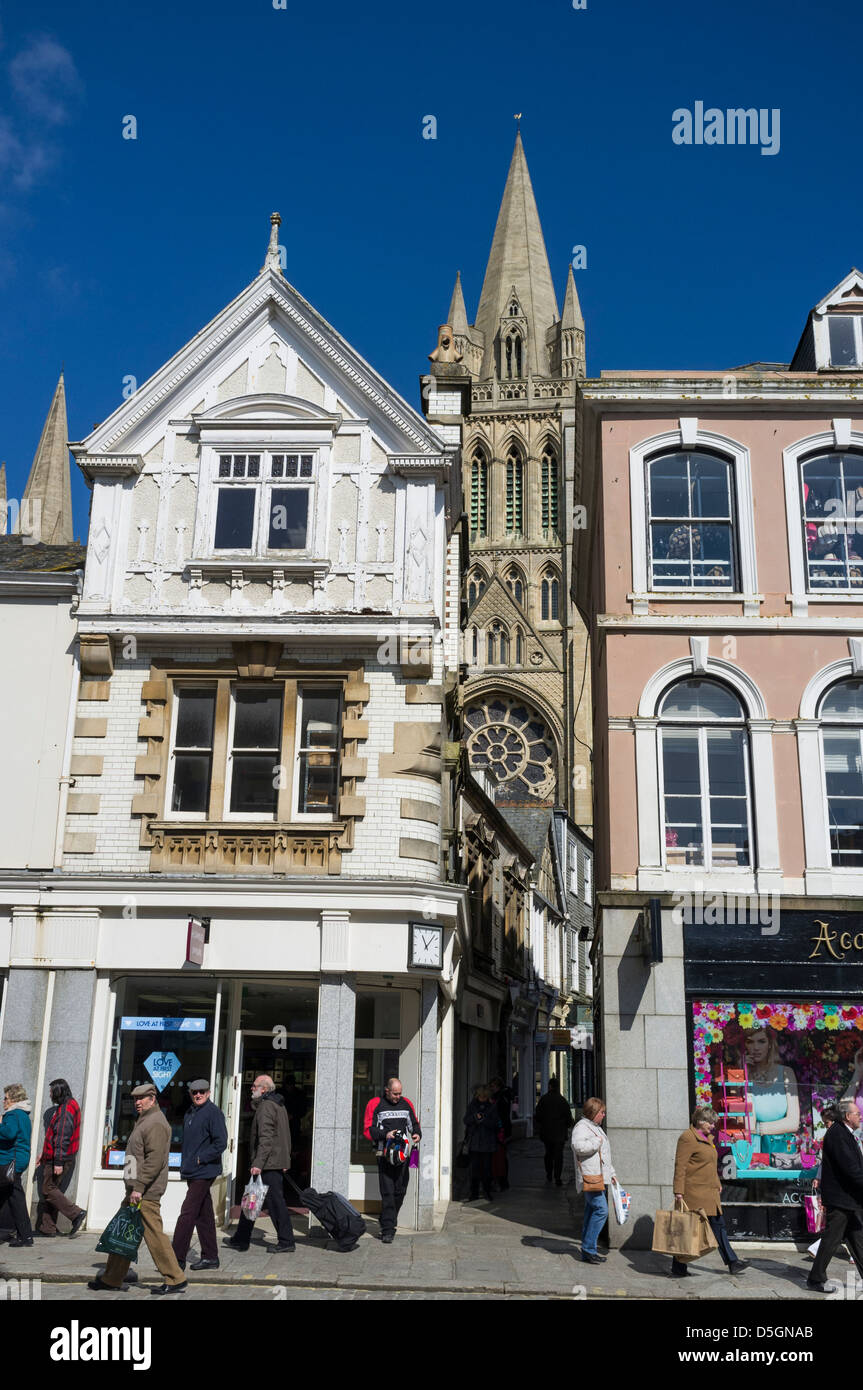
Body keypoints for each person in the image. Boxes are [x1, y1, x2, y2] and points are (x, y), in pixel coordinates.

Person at [88, 1081, 188, 1295]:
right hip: (136, 1189)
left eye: (142, 1098)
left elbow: (155, 1160)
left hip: (145, 1191)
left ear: (153, 1100)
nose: (137, 1102)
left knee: (155, 1236)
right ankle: (112, 1278)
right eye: (135, 1099)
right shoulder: (145, 1121)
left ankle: (175, 1278)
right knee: (124, 1232)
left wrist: (139, 1187)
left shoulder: (156, 1123)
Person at [671, 1106, 747, 1278]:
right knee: (689, 1230)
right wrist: (678, 1191)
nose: (713, 1126)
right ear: (701, 1121)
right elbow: (680, 1166)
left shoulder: (708, 1138)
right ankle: (678, 1266)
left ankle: (733, 1262)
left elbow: (710, 1165)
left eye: (714, 1123)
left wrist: (717, 1181)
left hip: (710, 1192)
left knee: (719, 1226)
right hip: (694, 1193)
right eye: (711, 1123)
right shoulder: (688, 1138)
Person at [224, 1075, 295, 1254]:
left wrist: (258, 1163)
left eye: (254, 1086)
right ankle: (241, 1239)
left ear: (263, 1089)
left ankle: (286, 1241)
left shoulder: (267, 1106)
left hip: (268, 1163)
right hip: (272, 1161)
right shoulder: (279, 1104)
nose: (251, 1088)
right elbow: (285, 1135)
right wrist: (285, 1160)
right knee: (251, 1200)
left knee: (275, 1203)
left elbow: (266, 1138)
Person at [807, 1100, 863, 1293]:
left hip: (849, 1199)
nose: (860, 1116)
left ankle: (816, 1277)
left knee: (857, 1238)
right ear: (848, 1116)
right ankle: (816, 1279)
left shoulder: (844, 1134)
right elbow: (850, 1168)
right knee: (832, 1238)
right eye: (857, 1113)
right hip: (841, 1199)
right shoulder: (838, 1134)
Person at [171, 1079, 227, 1272]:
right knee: (204, 1215)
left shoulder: (213, 1113)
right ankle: (211, 1257)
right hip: (192, 1170)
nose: (198, 1095)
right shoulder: (190, 1112)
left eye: (202, 1091)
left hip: (204, 1170)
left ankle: (176, 1258)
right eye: (194, 1092)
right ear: (190, 1093)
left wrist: (200, 1159)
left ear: (209, 1093)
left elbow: (221, 1143)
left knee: (187, 1212)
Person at [366, 1076, 421, 1244]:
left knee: (401, 1191)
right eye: (395, 1094)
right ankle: (388, 1229)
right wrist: (385, 1134)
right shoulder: (375, 1104)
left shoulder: (407, 1104)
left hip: (403, 1156)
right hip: (384, 1155)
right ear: (387, 1091)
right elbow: (368, 1130)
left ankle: (386, 1219)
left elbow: (414, 1124)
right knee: (388, 1192)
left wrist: (417, 1134)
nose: (398, 1097)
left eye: (400, 1094)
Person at [35, 1078, 86, 1239]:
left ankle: (76, 1214)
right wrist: (44, 1154)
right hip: (58, 1156)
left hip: (59, 1158)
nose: (50, 1095)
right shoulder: (68, 1105)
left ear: (58, 1091)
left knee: (47, 1189)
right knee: (52, 1190)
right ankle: (48, 1228)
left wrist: (58, 1162)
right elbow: (54, 1136)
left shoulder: (65, 1110)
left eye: (51, 1092)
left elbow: (62, 1137)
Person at [572, 1096, 615, 1264]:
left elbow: (604, 1156)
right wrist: (596, 1141)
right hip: (590, 1177)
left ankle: (587, 1250)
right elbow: (578, 1146)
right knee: (601, 1210)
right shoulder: (582, 1127)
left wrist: (611, 1173)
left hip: (597, 1176)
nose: (604, 1115)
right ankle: (589, 1249)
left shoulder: (594, 1127)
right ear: (594, 1112)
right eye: (602, 1112)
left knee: (591, 1211)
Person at [744, 1028, 800, 1138]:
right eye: (750, 1042)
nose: (756, 1048)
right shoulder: (744, 1075)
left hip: (782, 1150)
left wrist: (758, 1128)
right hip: (755, 1147)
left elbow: (793, 1123)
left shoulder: (786, 1073)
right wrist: (745, 1074)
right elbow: (748, 1124)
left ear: (770, 1044)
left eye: (761, 1041)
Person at [0, 1083, 34, 1246]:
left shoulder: (13, 1114)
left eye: (5, 1098)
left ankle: (25, 1236)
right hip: (18, 1160)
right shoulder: (23, 1114)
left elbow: (9, 1134)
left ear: (13, 1099)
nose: (3, 1101)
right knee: (13, 1196)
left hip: (9, 1161)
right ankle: (24, 1235)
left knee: (15, 1197)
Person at [463, 1084, 500, 1203]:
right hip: (474, 1142)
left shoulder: (492, 1107)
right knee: (474, 1169)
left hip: (488, 1143)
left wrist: (483, 1120)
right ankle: (473, 1193)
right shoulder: (472, 1105)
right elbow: (466, 1120)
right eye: (481, 1096)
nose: (482, 1099)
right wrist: (475, 1118)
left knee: (487, 1170)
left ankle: (487, 1192)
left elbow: (496, 1124)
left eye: (484, 1097)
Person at [535, 1077, 573, 1186]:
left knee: (548, 1153)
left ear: (550, 1086)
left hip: (547, 1132)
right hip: (560, 1133)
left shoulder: (543, 1099)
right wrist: (565, 1126)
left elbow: (538, 1116)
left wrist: (542, 1125)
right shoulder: (562, 1101)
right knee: (558, 1156)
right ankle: (557, 1177)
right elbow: (568, 1118)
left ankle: (549, 1173)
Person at [489, 1076, 512, 1192]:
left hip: (500, 1132)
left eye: (492, 1086)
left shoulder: (500, 1099)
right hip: (502, 1131)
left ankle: (501, 1180)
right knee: (500, 1157)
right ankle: (502, 1181)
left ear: (497, 1086)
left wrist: (500, 1130)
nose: (491, 1088)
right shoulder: (503, 1098)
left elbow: (501, 1115)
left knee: (499, 1157)